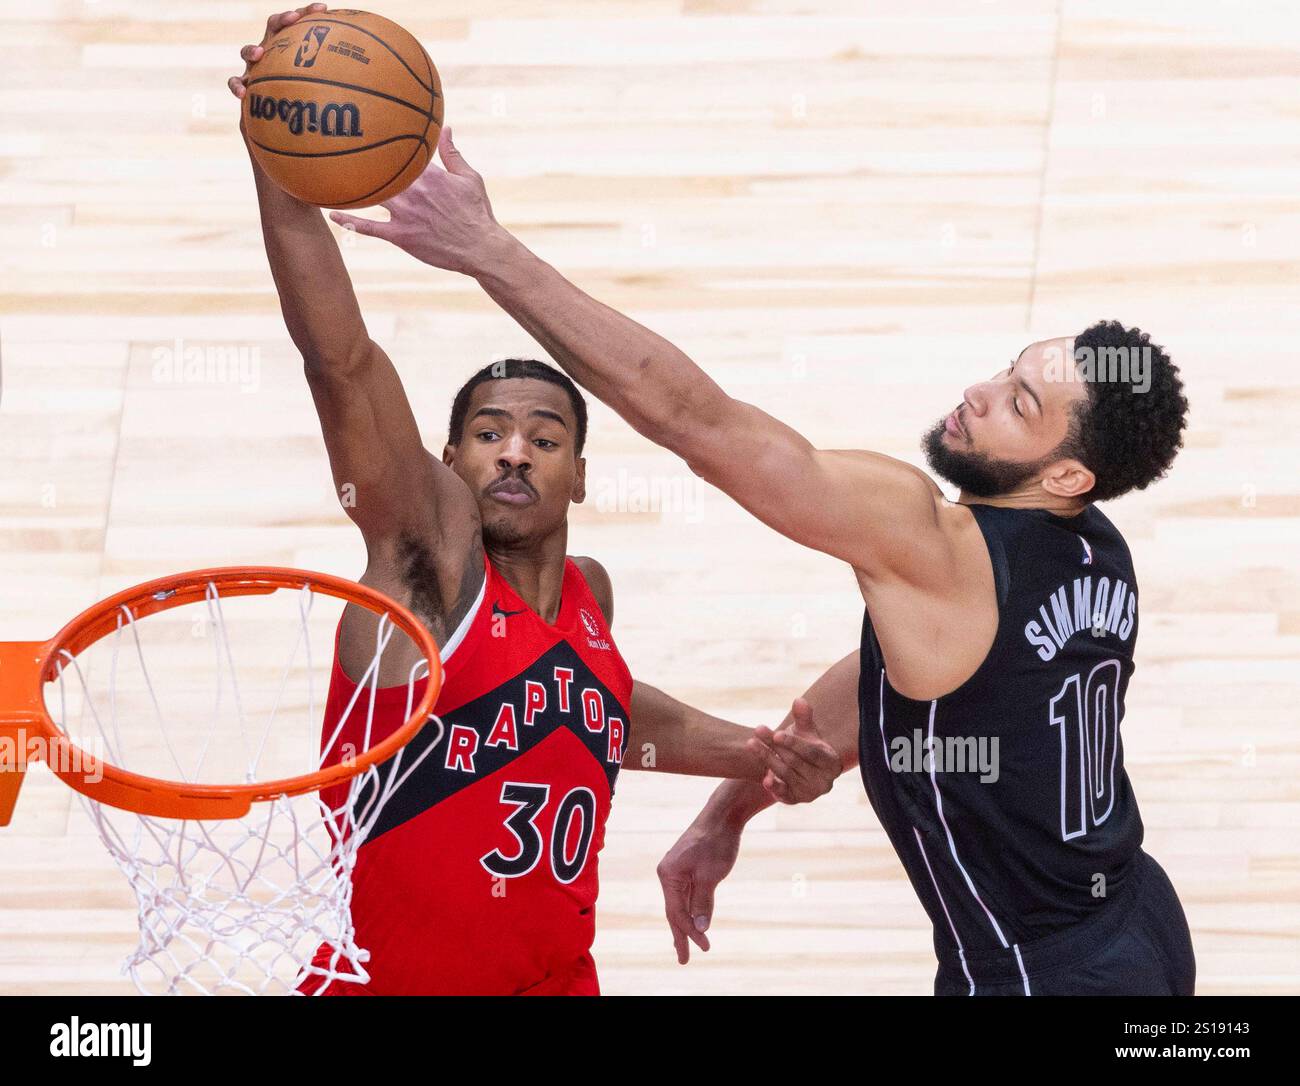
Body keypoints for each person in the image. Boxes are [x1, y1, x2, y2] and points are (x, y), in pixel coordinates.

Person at [336, 120, 1198, 996]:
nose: (980, 392)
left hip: (1035, 976)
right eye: (1009, 372)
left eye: (1020, 405)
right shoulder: (1095, 549)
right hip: (1140, 922)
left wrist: (487, 251)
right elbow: (903, 675)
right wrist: (730, 808)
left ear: (1066, 472)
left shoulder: (934, 545)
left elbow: (695, 420)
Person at [227, 7, 840, 997]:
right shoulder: (426, 575)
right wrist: (284, 169)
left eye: (545, 439)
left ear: (580, 476)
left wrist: (752, 754)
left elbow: (596, 710)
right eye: (488, 434)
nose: (515, 451)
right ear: (447, 463)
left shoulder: (588, 599)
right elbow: (339, 362)